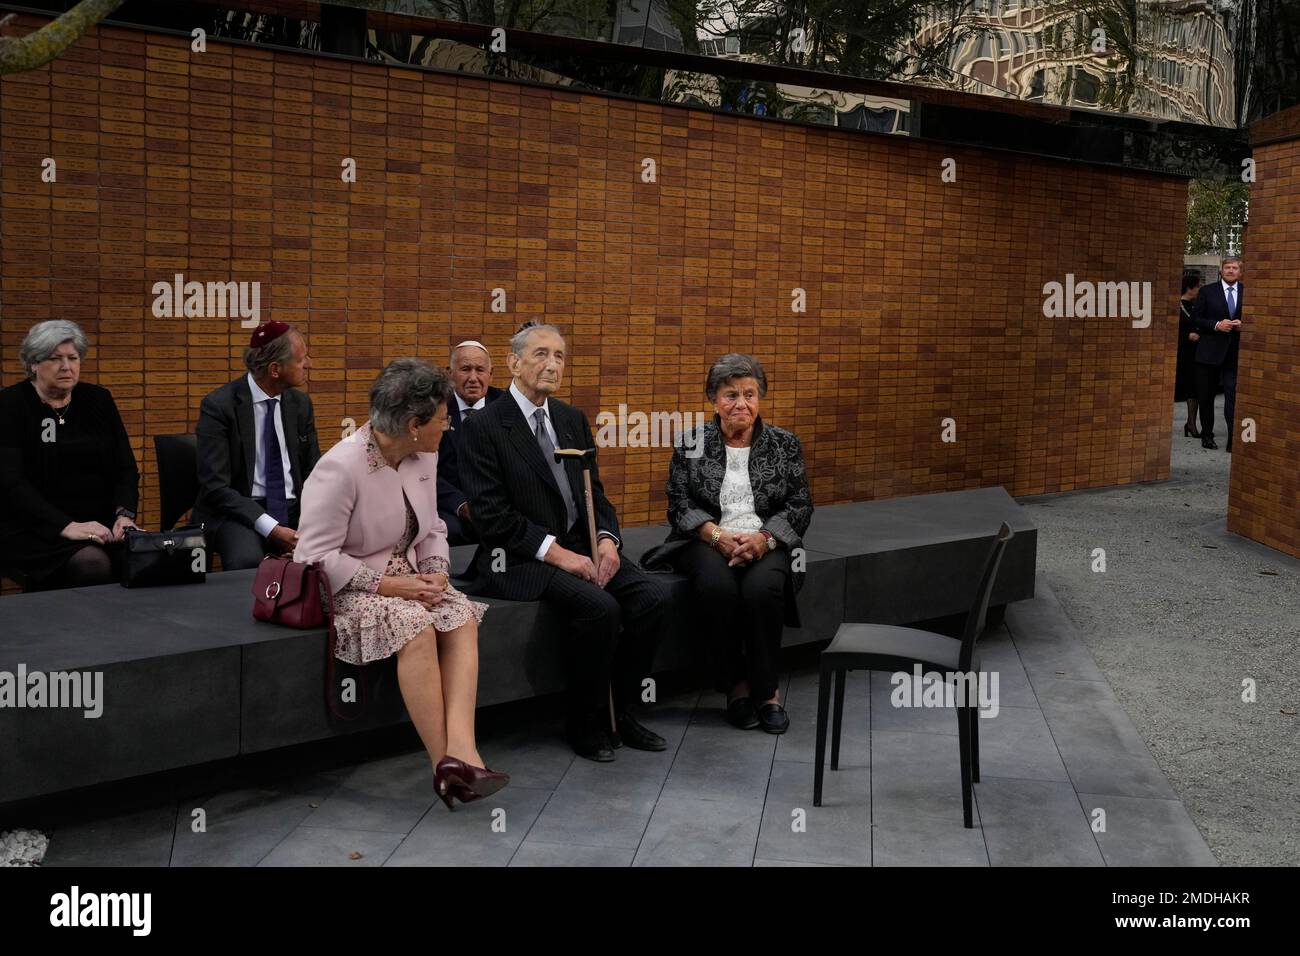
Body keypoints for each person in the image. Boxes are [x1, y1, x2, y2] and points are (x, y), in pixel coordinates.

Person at [293, 359, 507, 809]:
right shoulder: (340, 467)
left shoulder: (423, 454)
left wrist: (437, 570)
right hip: (352, 586)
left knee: (460, 614)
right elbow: (313, 556)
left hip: (412, 578)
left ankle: (464, 752)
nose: (448, 427)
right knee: (416, 624)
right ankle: (442, 762)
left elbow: (433, 529)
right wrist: (390, 585)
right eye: (443, 419)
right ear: (414, 425)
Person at [459, 322, 669, 762]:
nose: (552, 364)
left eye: (559, 356)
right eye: (541, 354)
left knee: (650, 597)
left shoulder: (571, 419)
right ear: (513, 363)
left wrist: (607, 540)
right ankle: (584, 721)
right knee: (600, 607)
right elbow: (493, 518)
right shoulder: (484, 426)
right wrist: (558, 555)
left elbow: (597, 494)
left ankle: (621, 712)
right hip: (519, 556)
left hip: (582, 543)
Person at [641, 354, 813, 734]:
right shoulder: (692, 441)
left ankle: (767, 692)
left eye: (750, 394)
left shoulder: (785, 444)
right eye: (731, 395)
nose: (741, 404)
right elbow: (678, 504)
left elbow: (800, 505)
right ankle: (736, 687)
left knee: (762, 591)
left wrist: (763, 539)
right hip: (704, 539)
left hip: (765, 538)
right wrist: (716, 536)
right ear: (714, 399)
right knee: (718, 589)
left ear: (760, 397)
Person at [0, 320, 140, 590]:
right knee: (92, 563)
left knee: (141, 557)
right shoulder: (10, 405)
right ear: (33, 364)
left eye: (73, 358)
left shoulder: (98, 399)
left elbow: (125, 467)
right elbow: (10, 483)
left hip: (99, 523)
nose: (66, 366)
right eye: (55, 359)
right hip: (33, 527)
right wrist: (65, 525)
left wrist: (124, 515)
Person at [194, 321, 321, 570]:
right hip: (239, 510)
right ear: (275, 369)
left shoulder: (300, 404)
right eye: (301, 359)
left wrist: (317, 518)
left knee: (334, 550)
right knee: (248, 561)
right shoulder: (219, 406)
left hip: (294, 507)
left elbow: (313, 471)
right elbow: (216, 487)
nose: (309, 364)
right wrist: (272, 528)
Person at [436, 340, 505, 546]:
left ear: (491, 374)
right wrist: (461, 504)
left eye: (480, 370)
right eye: (465, 369)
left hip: (499, 505)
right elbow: (426, 471)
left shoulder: (507, 407)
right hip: (453, 507)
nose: (473, 378)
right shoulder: (435, 409)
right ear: (450, 374)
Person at [1190, 256, 1244, 452]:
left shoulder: (1247, 291)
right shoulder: (1207, 291)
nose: (1230, 270)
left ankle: (1232, 439)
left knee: (1232, 396)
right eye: (1227, 267)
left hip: (1234, 354)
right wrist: (1216, 325)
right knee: (1206, 397)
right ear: (1221, 270)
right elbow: (1195, 318)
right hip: (1209, 353)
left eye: (1234, 268)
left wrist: (1243, 325)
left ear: (1240, 272)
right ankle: (1207, 435)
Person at [1176, 273, 1202, 437]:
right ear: (1189, 288)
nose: (1199, 289)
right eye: (1197, 286)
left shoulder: (1196, 306)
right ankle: (1191, 424)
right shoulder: (1177, 306)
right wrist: (1186, 336)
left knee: (1195, 388)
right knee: (1190, 388)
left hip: (1197, 352)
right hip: (1183, 353)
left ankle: (1191, 423)